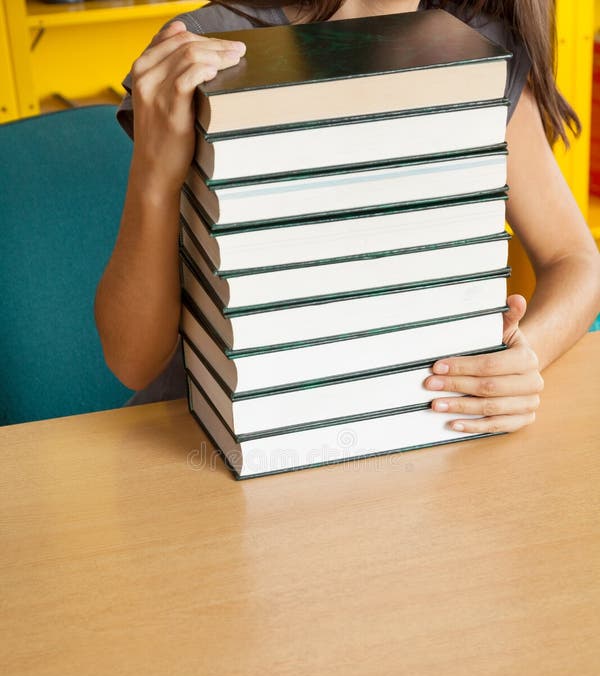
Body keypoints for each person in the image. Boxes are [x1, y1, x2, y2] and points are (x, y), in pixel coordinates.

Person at [95, 0, 600, 436]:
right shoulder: (206, 46)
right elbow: (135, 363)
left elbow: (575, 259)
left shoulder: (480, 50)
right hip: (209, 439)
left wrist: (522, 358)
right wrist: (154, 176)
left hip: (407, 427)